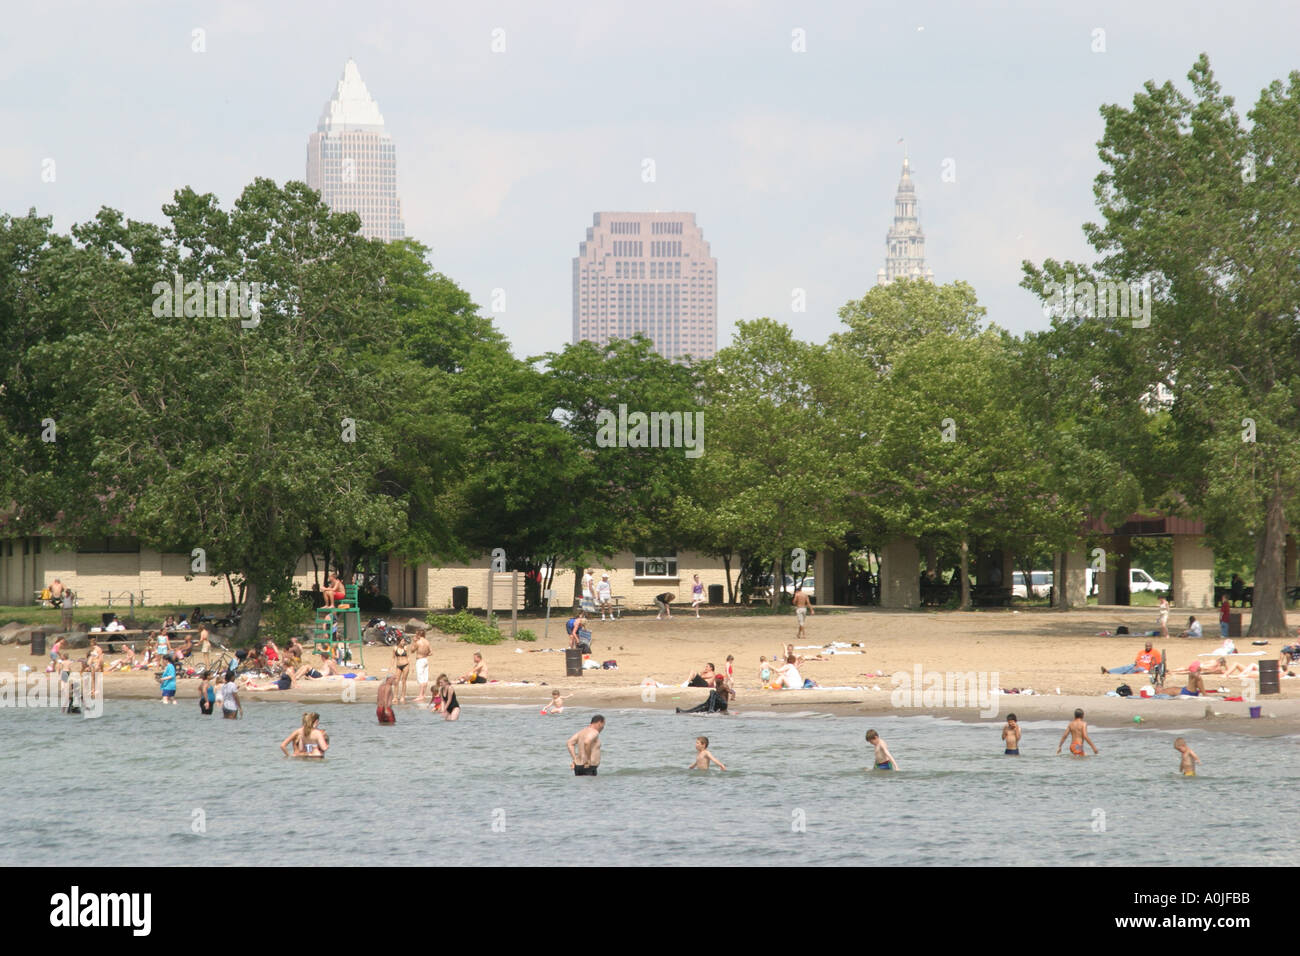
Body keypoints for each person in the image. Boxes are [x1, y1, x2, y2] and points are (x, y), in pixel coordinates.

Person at [412, 627, 432, 704]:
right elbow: (431, 652)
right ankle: (423, 694)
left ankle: (420, 695)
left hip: (420, 660)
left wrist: (414, 642)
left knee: (420, 678)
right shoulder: (427, 642)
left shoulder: (418, 642)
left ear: (418, 635)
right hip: (425, 660)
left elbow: (412, 650)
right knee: (425, 678)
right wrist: (425, 653)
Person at [391, 635, 410, 702]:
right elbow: (393, 657)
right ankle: (395, 696)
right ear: (399, 641)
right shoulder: (395, 648)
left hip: (406, 665)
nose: (403, 643)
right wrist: (391, 666)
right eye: (402, 641)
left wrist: (411, 666)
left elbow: (408, 657)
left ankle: (403, 696)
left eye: (404, 641)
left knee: (404, 681)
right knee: (396, 681)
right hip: (398, 666)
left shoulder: (405, 648)